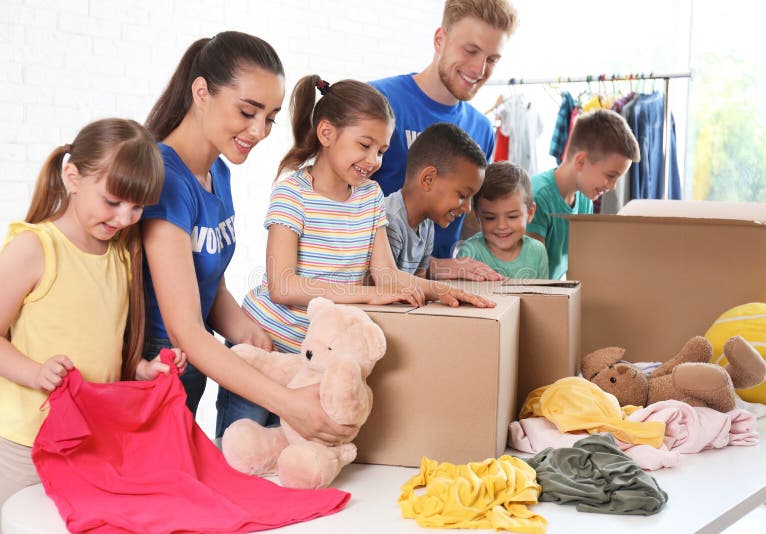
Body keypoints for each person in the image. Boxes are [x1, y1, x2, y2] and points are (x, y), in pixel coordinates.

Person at [234, 76, 496, 434]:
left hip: (317, 357)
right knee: (240, 445)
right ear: (327, 134)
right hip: (265, 347)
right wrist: (367, 293)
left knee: (293, 456)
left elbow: (386, 274)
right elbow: (282, 286)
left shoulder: (370, 197)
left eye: (382, 151)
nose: (374, 160)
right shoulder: (292, 194)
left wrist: (442, 291)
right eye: (365, 145)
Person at [141, 32, 353, 445]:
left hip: (194, 366)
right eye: (247, 111)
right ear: (201, 91)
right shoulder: (165, 180)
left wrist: (251, 333)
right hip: (157, 367)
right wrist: (288, 403)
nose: (259, 130)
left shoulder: (219, 172)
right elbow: (185, 330)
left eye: (270, 117)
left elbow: (207, 280)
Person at [0, 118, 188, 516]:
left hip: (89, 441)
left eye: (137, 207)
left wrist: (138, 369)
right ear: (73, 177)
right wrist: (35, 373)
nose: (124, 218)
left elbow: (100, 338)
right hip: (24, 444)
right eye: (113, 202)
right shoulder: (35, 248)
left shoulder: (119, 255)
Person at [370, 0, 518, 280]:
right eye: (471, 50)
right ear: (440, 39)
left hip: (434, 298)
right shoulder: (379, 102)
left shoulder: (483, 129)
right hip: (371, 293)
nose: (479, 69)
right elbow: (333, 210)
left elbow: (467, 217)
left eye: (492, 59)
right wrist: (435, 267)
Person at [526, 109, 640, 280]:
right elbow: (534, 278)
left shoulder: (585, 199)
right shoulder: (537, 197)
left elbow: (580, 264)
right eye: (610, 176)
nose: (613, 186)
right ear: (580, 161)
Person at [385, 122, 487, 276]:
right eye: (462, 195)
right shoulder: (389, 222)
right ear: (428, 180)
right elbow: (383, 289)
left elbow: (420, 278)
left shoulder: (426, 226)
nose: (468, 208)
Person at [457, 161, 548, 278]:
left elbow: (544, 294)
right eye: (490, 218)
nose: (501, 226)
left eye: (512, 216)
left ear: (530, 213)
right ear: (478, 215)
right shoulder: (470, 253)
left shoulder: (537, 252)